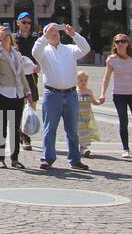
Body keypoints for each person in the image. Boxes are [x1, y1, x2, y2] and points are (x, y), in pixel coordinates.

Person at [32, 22, 92, 170]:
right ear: (45, 35)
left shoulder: (69, 49)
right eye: (50, 31)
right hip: (52, 94)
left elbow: (86, 48)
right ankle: (47, 158)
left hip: (71, 93)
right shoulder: (44, 52)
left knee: (72, 129)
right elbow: (34, 52)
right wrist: (44, 36)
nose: (54, 33)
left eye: (56, 31)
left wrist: (73, 34)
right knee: (50, 128)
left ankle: (75, 159)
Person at [0, 25, 36, 169]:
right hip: (1, 93)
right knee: (2, 127)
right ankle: (0, 158)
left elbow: (21, 75)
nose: (6, 35)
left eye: (7, 33)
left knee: (15, 128)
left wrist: (28, 92)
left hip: (18, 94)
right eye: (2, 34)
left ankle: (15, 159)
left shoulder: (16, 53)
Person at [98, 33, 132, 159]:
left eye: (123, 41)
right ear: (114, 44)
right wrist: (102, 93)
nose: (120, 44)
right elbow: (107, 78)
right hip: (119, 94)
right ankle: (126, 149)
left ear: (127, 43)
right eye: (118, 42)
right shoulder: (111, 59)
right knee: (123, 121)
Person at [13, 13, 41, 150]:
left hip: (31, 76)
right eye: (24, 22)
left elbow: (41, 54)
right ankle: (24, 136)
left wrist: (39, 66)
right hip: (17, 76)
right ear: (18, 23)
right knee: (21, 103)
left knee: (32, 103)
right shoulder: (13, 38)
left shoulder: (35, 38)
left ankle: (24, 131)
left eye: (29, 22)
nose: (27, 25)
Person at [76, 71, 100, 158]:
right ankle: (83, 148)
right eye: (81, 80)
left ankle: (83, 148)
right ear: (76, 81)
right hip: (78, 116)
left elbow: (94, 101)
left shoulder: (89, 91)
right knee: (80, 132)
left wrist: (99, 102)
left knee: (86, 132)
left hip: (87, 116)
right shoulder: (75, 92)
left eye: (85, 80)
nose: (83, 82)